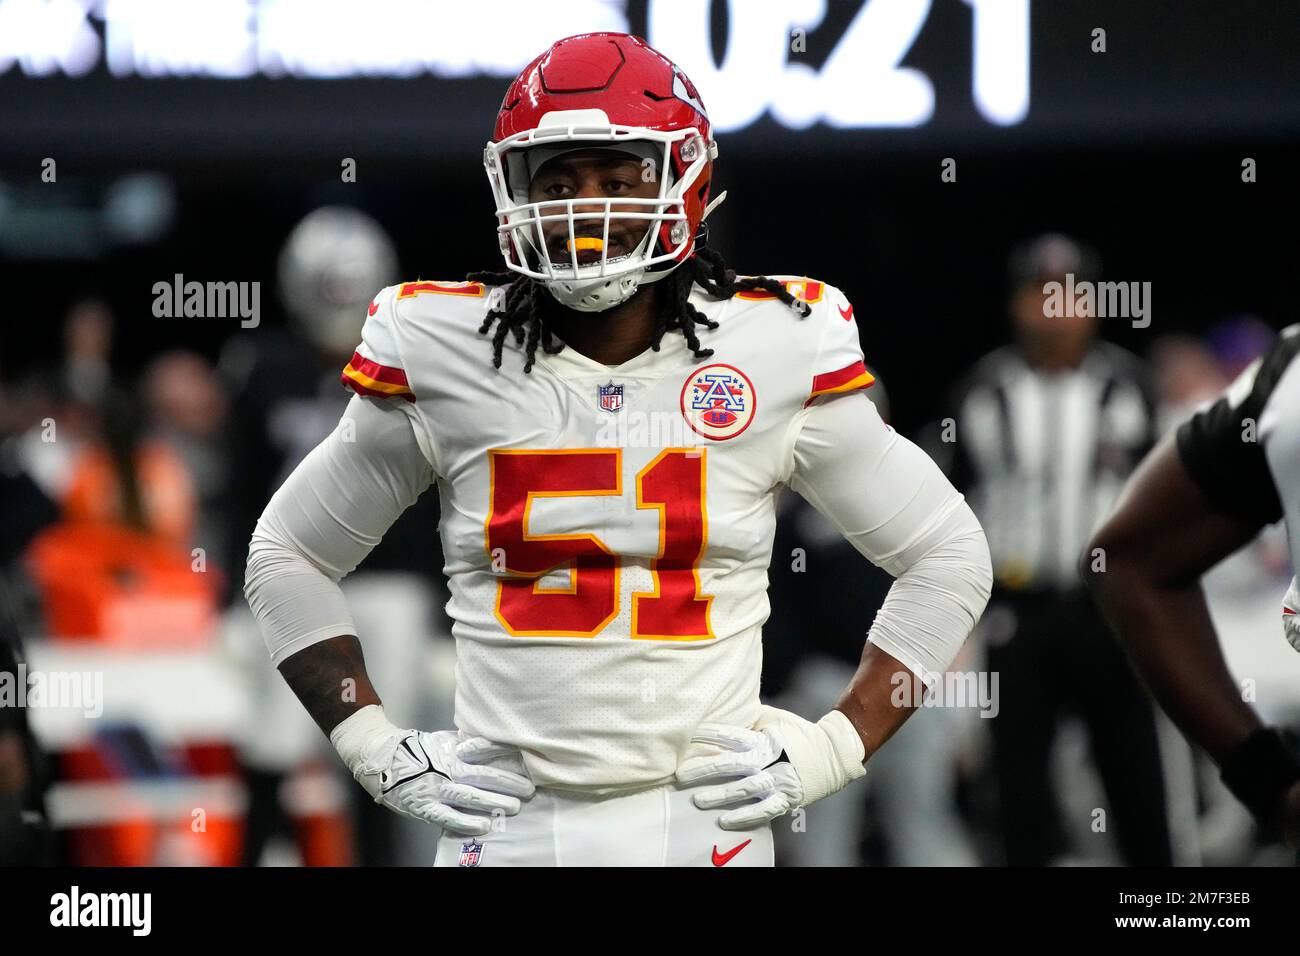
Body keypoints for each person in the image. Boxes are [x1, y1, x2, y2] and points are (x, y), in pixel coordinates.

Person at [244, 32, 992, 867]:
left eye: (616, 177)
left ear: (684, 179)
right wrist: (372, 747)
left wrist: (839, 742)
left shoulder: (776, 340)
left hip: (703, 815)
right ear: (511, 188)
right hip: (505, 818)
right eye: (557, 180)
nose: (583, 206)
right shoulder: (441, 342)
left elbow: (949, 555)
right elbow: (287, 556)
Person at [932, 234, 1173, 865]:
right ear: (1016, 304)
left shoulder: (1130, 388)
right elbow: (944, 513)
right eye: (1041, 295)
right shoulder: (982, 395)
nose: (1054, 311)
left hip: (1111, 613)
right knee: (1017, 785)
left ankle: (1166, 906)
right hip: (1019, 611)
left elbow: (1166, 508)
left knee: (1137, 776)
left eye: (1069, 295)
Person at [1084, 327, 1300, 850]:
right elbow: (1126, 561)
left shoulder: (1285, 377)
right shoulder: (1277, 383)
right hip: (1233, 618)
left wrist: (1271, 786)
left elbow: (1123, 558)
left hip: (1242, 619)